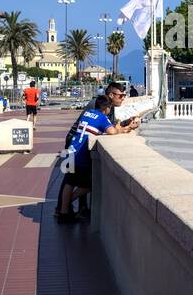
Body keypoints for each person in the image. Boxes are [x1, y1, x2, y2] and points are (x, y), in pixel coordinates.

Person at [56, 93, 139, 223]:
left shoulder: (87, 113)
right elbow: (112, 131)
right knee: (90, 184)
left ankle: (63, 212)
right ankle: (67, 204)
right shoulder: (102, 117)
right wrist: (128, 128)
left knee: (69, 182)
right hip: (81, 155)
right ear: (107, 108)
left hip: (70, 149)